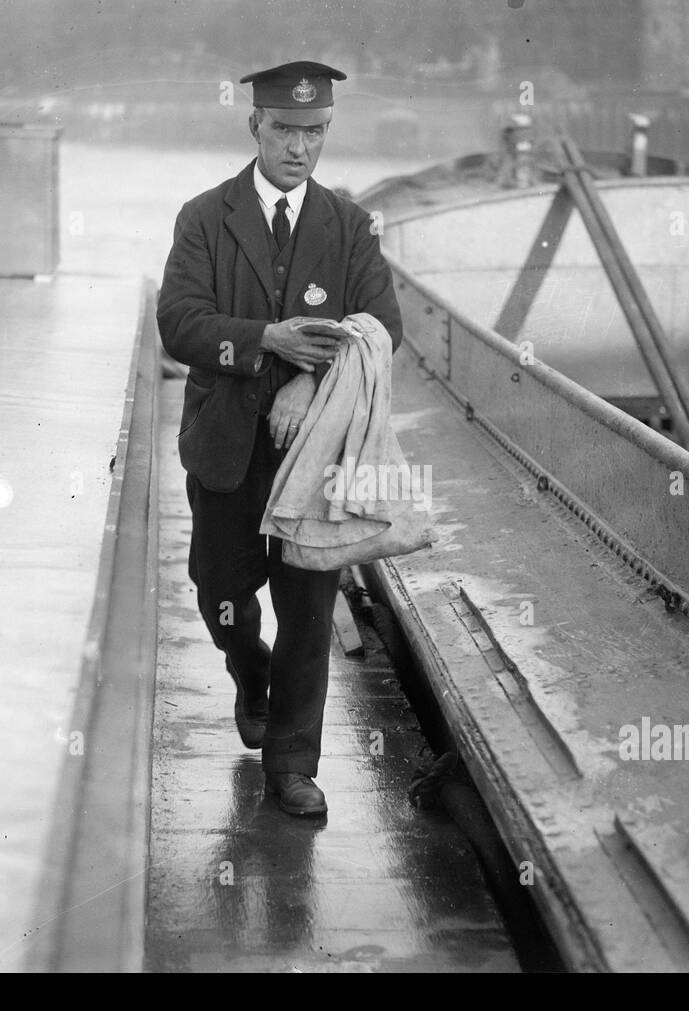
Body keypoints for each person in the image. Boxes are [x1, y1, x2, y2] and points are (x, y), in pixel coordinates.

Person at [156, 60, 403, 816]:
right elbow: (180, 322)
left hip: (315, 450)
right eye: (287, 130)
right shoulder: (204, 216)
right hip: (228, 447)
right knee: (221, 591)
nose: (302, 147)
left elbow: (384, 328)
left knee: (308, 606)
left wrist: (307, 379)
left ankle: (292, 763)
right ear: (255, 125)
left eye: (317, 132)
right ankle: (247, 669)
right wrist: (269, 340)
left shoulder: (349, 225)